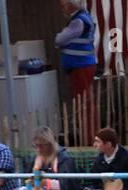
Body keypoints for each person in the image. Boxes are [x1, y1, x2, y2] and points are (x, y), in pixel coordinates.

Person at [55, 0, 98, 140]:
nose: (62, 8)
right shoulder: (82, 17)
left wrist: (60, 36)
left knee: (83, 102)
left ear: (70, 5)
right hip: (82, 65)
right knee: (86, 101)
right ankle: (91, 134)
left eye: (63, 5)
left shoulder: (78, 21)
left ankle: (90, 137)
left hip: (80, 66)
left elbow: (60, 39)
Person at [8, 127, 78, 190]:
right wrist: (36, 168)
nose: (38, 149)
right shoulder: (37, 157)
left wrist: (45, 181)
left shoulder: (63, 159)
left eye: (41, 146)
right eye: (36, 146)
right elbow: (27, 181)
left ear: (49, 144)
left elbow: (67, 186)